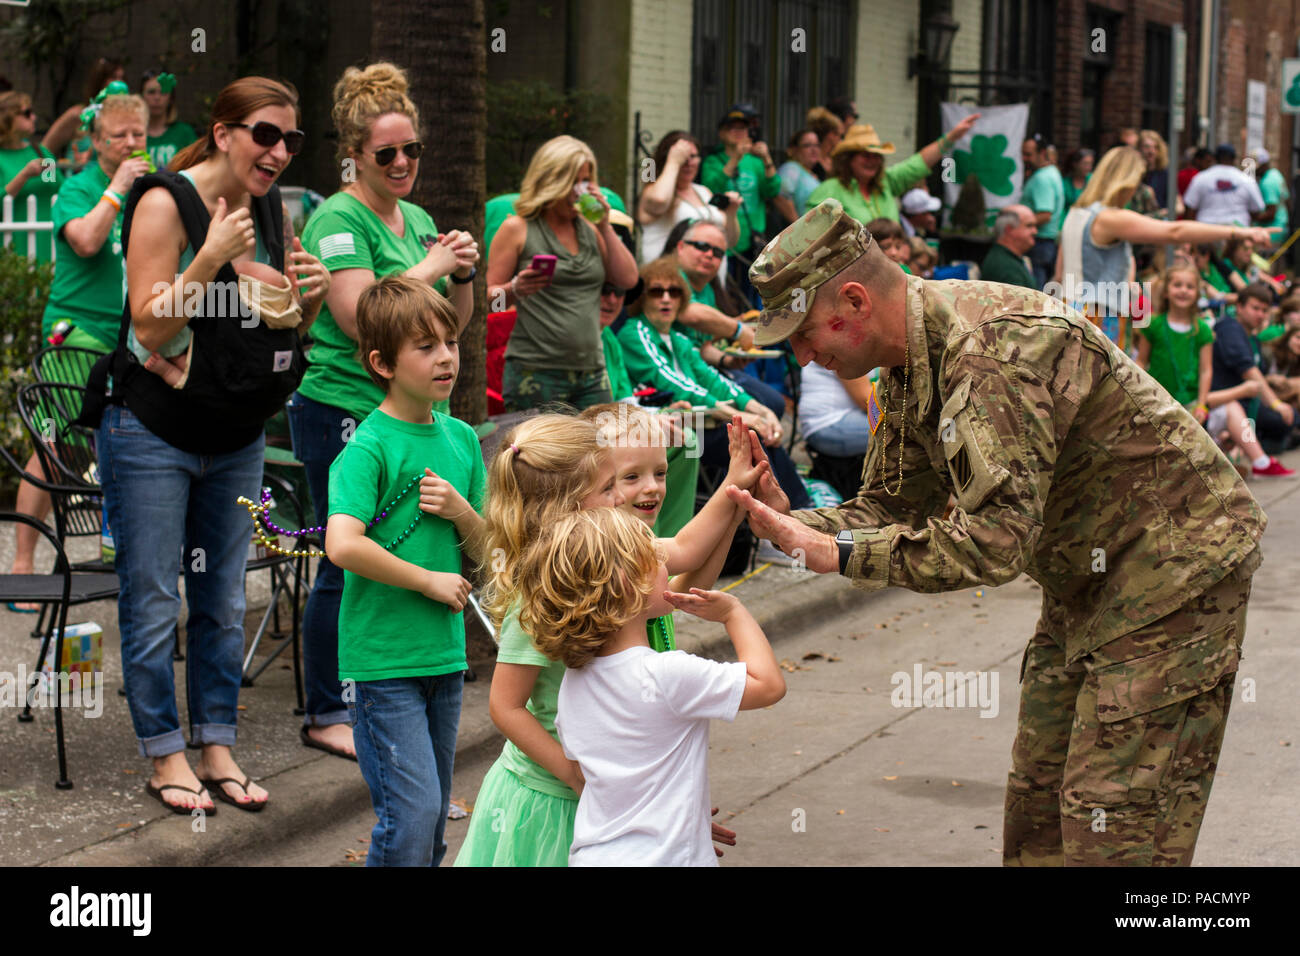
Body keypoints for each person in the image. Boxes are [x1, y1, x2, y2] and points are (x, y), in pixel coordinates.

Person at [728, 198, 1267, 866]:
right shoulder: (905, 359)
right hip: (1087, 580)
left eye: (806, 334)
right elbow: (892, 508)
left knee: (1115, 825)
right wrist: (794, 524)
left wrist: (837, 553)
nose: (804, 358)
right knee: (1038, 807)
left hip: (1175, 574)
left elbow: (992, 543)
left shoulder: (990, 352)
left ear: (856, 300)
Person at [97, 76, 329, 813]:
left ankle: (218, 748)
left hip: (234, 435)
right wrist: (208, 259)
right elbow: (149, 327)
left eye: (291, 140)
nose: (280, 152)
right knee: (156, 596)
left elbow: (259, 323)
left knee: (224, 601)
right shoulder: (166, 202)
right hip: (153, 433)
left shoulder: (267, 206)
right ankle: (166, 757)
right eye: (266, 134)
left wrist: (308, 304)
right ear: (224, 131)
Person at [288, 62, 478, 761]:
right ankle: (326, 708)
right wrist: (430, 267)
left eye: (412, 151)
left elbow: (444, 322)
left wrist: (457, 274)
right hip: (343, 405)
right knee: (343, 562)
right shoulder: (337, 218)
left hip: (404, 415)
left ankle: (391, 684)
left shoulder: (418, 218)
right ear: (354, 156)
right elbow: (359, 313)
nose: (403, 164)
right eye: (386, 154)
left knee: (402, 546)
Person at [324, 275, 485, 866]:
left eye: (450, 341)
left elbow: (494, 548)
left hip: (443, 656)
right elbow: (342, 545)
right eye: (425, 346)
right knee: (412, 818)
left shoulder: (463, 439)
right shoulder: (367, 447)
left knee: (432, 816)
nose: (446, 356)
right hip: (383, 660)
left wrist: (463, 510)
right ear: (381, 363)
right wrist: (427, 580)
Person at [521, 506, 785, 866]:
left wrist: (683, 814)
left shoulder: (573, 684)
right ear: (632, 583)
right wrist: (732, 613)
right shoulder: (668, 674)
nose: (667, 564)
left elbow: (599, 779)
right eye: (657, 557)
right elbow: (767, 685)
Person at [6, 88, 150, 612]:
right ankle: (23, 568)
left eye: (140, 133)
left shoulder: (148, 189)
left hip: (131, 336)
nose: (133, 143)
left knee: (129, 444)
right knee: (53, 447)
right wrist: (115, 188)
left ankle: (120, 563)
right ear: (95, 140)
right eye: (120, 136)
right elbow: (88, 241)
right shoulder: (76, 187)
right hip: (76, 333)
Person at [617, 257, 810, 509]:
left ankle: (798, 509)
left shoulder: (678, 339)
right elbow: (678, 385)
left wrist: (759, 411)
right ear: (642, 298)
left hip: (695, 421)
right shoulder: (635, 332)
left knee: (758, 432)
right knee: (747, 437)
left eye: (674, 292)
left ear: (682, 300)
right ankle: (781, 516)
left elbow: (714, 380)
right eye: (656, 292)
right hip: (669, 426)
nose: (666, 298)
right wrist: (737, 415)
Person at [1055, 147, 1272, 350]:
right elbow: (1174, 232)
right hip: (1098, 316)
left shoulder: (1076, 214)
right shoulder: (1108, 217)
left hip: (1071, 311)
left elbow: (1058, 275)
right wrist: (1240, 232)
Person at [487, 134, 639, 411]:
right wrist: (515, 289)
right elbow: (487, 300)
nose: (578, 192)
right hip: (536, 371)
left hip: (591, 370)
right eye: (572, 182)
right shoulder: (517, 229)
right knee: (545, 454)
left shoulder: (591, 229)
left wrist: (605, 225)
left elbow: (627, 279)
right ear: (550, 180)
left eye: (585, 182)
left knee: (599, 452)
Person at [596, 287, 700, 537]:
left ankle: (671, 544)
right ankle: (645, 546)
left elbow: (625, 402)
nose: (612, 298)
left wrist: (653, 413)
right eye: (604, 290)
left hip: (614, 423)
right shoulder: (628, 334)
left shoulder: (608, 336)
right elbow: (577, 415)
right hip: (590, 434)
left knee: (687, 439)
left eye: (619, 293)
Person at [805, 114, 979, 223]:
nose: (872, 161)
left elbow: (917, 164)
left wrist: (951, 137)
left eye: (876, 156)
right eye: (865, 155)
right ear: (848, 159)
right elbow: (809, 236)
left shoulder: (886, 183)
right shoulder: (829, 190)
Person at [700, 104, 781, 305]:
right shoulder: (713, 160)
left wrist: (767, 158)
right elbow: (710, 188)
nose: (738, 133)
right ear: (722, 133)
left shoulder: (755, 162)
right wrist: (734, 158)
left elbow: (772, 190)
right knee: (727, 294)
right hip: (724, 239)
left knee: (754, 294)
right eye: (732, 128)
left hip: (753, 241)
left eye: (743, 129)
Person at [1210, 281, 1297, 469]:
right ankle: (1250, 453)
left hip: (1248, 404)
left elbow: (1259, 376)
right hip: (1227, 401)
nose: (1260, 315)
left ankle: (1240, 446)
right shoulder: (1229, 328)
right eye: (1255, 308)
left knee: (1288, 420)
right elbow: (1249, 371)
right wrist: (1276, 403)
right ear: (1239, 307)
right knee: (1279, 419)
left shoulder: (1253, 338)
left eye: (1265, 311)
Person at [636, 130, 738, 266]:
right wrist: (673, 162)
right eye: (683, 157)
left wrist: (731, 212)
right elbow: (659, 200)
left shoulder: (703, 191)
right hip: (668, 280)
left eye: (693, 156)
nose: (688, 163)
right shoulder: (653, 191)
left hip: (710, 282)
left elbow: (730, 240)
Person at [1134, 257, 1215, 415]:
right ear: (1166, 292)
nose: (1183, 290)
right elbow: (1141, 360)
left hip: (1189, 406)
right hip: (1153, 400)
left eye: (1190, 287)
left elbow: (1206, 370)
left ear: (1197, 294)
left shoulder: (1203, 330)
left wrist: (1202, 404)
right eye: (1177, 285)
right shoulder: (1153, 324)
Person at [0, 90, 64, 262]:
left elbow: (57, 190)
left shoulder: (39, 151)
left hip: (49, 241)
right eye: (27, 113)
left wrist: (48, 173)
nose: (34, 118)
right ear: (7, 117)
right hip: (12, 244)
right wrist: (24, 176)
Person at [1020, 136, 1066, 288]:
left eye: (1028, 154)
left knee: (1036, 292)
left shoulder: (1042, 179)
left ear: (1042, 153)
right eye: (1023, 153)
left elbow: (1045, 214)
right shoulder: (1051, 172)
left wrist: (1017, 225)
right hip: (1048, 242)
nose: (1024, 158)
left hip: (1039, 242)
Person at [1183, 144, 1265, 227]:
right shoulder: (1246, 180)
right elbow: (1256, 210)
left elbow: (1189, 208)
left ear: (1215, 158)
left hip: (1207, 231)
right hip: (1236, 231)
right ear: (1234, 159)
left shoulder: (1201, 178)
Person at [140, 70, 197, 170]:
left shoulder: (185, 133)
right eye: (151, 92)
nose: (157, 97)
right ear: (142, 96)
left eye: (163, 92)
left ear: (171, 98)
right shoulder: (132, 134)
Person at [774, 128, 822, 228]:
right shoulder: (791, 168)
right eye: (807, 145)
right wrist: (799, 228)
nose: (814, 150)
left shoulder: (810, 173)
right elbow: (782, 198)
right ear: (794, 150)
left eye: (817, 145)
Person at [980, 205, 1037, 288]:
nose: (1035, 231)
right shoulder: (1004, 267)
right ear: (1009, 230)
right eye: (1029, 226)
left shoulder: (1009, 258)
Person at [1252, 148, 1290, 248]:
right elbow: (1287, 201)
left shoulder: (1267, 182)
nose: (1254, 170)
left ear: (1264, 165)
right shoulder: (1276, 174)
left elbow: (1270, 214)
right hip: (1282, 226)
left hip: (1271, 233)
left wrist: (1253, 218)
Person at [804, 107, 844, 179]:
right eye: (839, 135)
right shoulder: (812, 160)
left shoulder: (835, 160)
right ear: (830, 135)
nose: (841, 140)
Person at [1138, 129, 1170, 214]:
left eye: (1155, 147)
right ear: (1139, 148)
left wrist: (1160, 213)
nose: (1151, 151)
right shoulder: (1133, 173)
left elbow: (1178, 205)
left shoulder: (1164, 174)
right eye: (1147, 147)